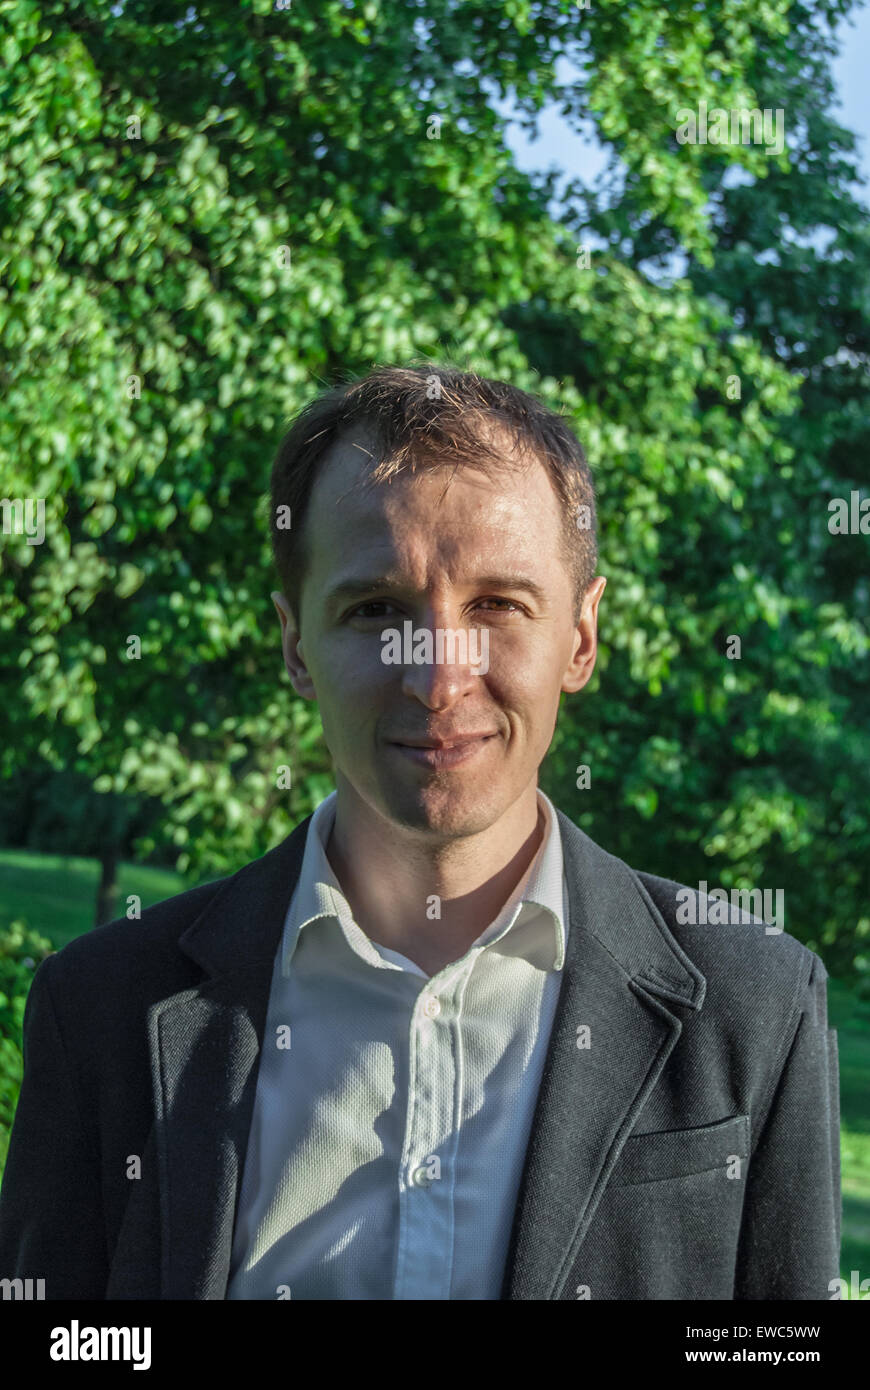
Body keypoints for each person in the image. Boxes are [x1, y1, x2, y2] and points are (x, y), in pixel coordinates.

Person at [0, 366, 840, 1300]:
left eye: (496, 607)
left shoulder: (757, 1006)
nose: (439, 678)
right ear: (293, 644)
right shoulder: (104, 1009)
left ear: (582, 636)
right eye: (376, 610)